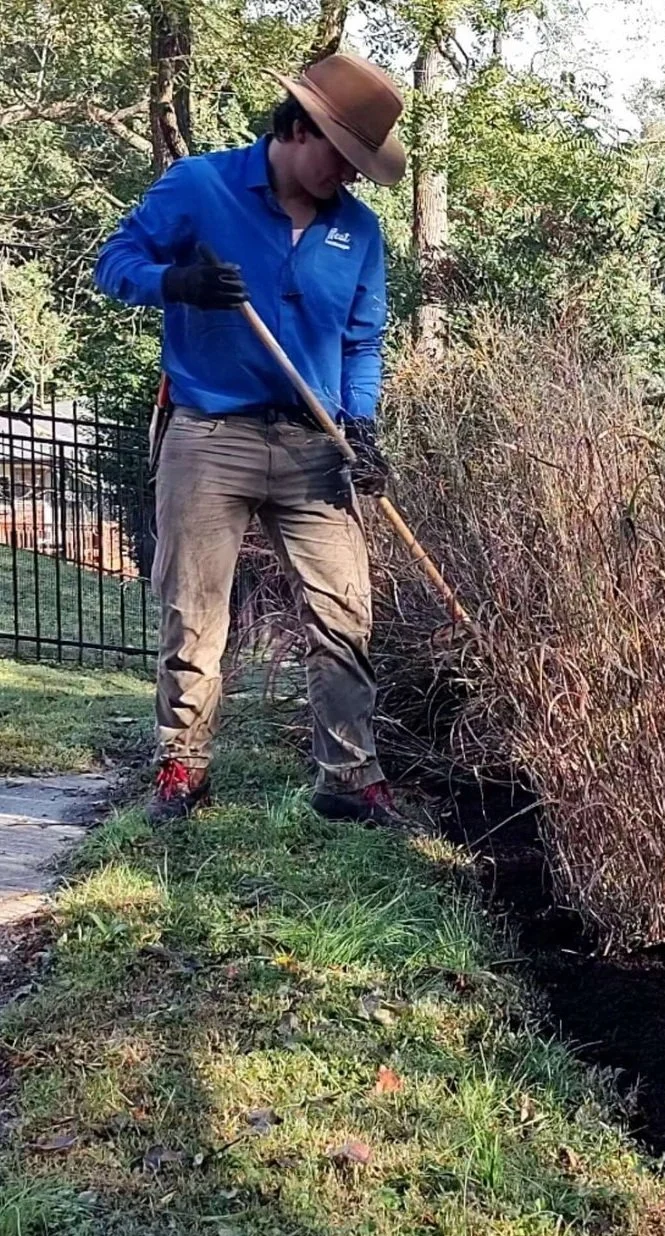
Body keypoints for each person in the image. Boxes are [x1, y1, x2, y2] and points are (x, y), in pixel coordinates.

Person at [95, 52, 406, 827]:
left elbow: (363, 341)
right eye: (345, 157)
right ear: (297, 130)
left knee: (344, 614)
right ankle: (182, 769)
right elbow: (117, 261)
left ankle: (347, 779)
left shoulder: (358, 231)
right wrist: (177, 284)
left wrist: (360, 423)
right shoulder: (201, 187)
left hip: (315, 445)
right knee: (196, 612)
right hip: (209, 434)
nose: (354, 177)